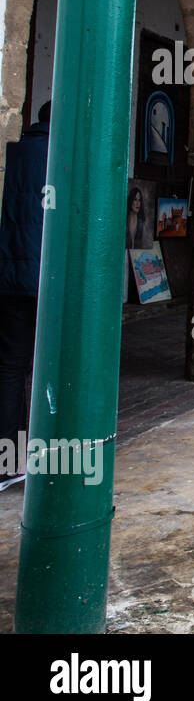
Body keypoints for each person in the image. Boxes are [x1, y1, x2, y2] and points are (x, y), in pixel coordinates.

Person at [0, 101, 50, 491]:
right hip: (49, 282)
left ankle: (9, 461)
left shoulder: (12, 152)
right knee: (54, 366)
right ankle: (50, 450)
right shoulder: (65, 157)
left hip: (9, 277)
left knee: (10, 367)